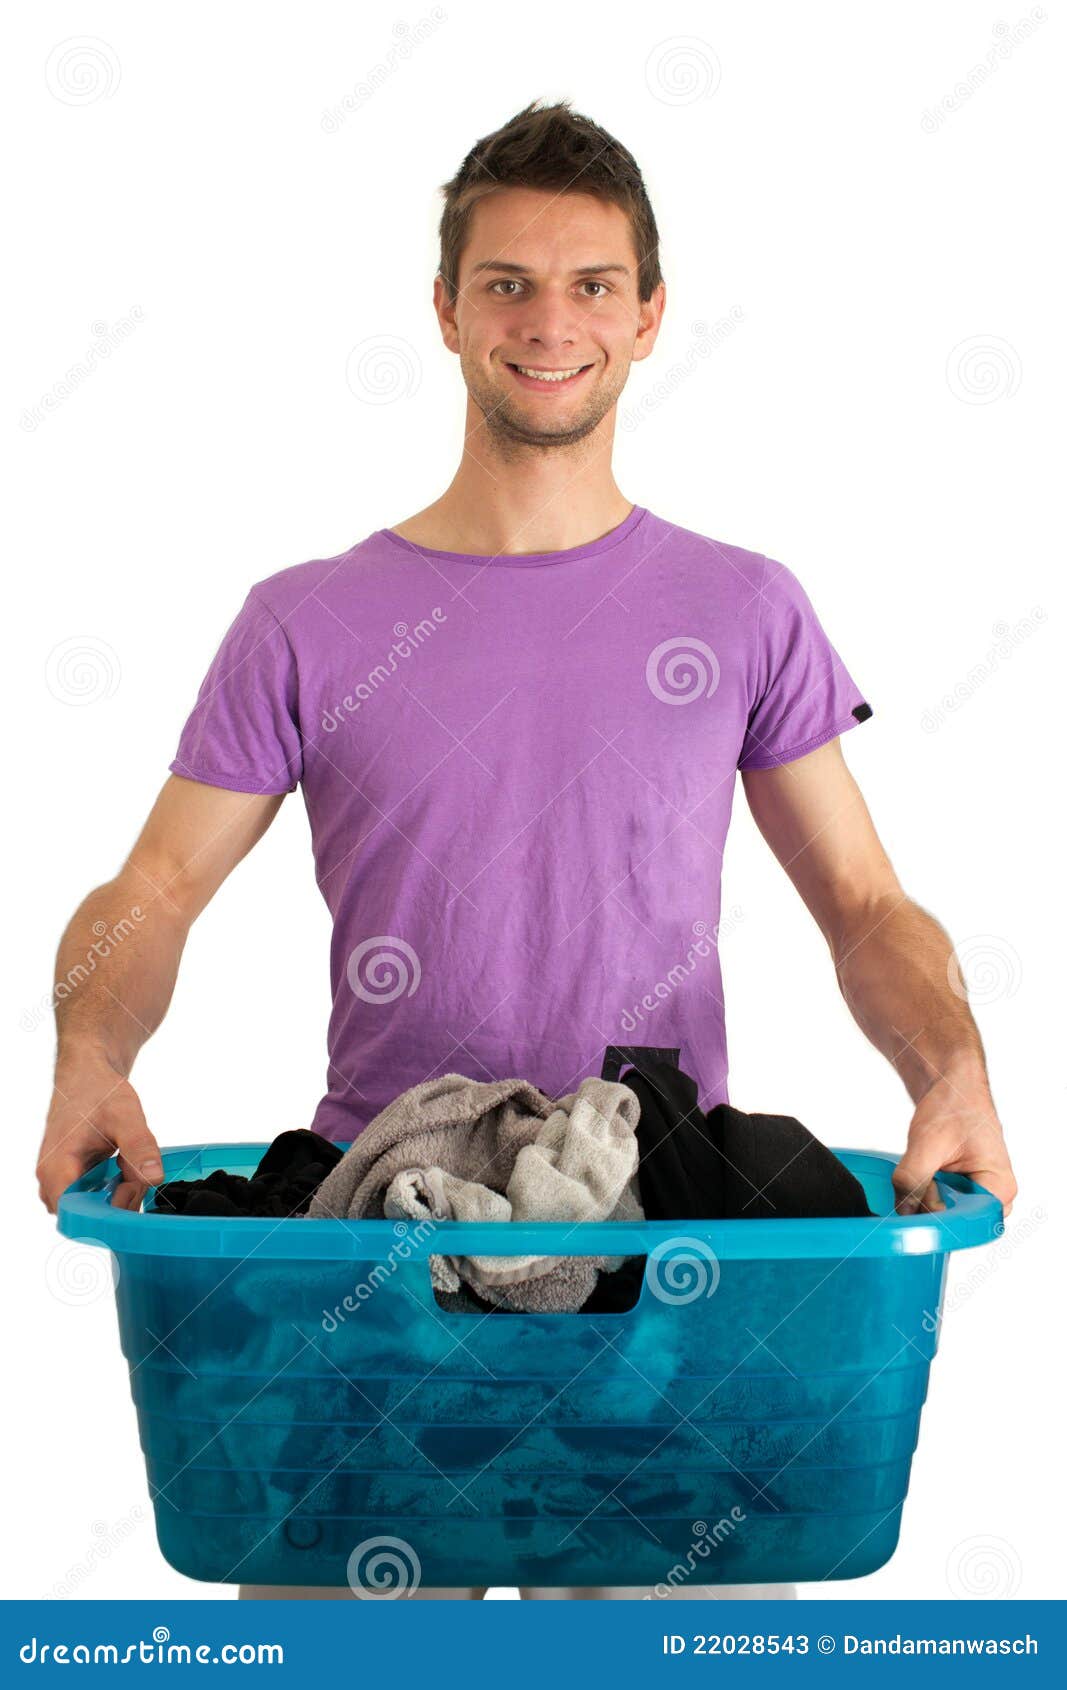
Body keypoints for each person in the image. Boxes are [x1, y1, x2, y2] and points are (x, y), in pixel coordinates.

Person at [36, 100, 1016, 1602]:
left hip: (671, 1269)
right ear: (445, 311)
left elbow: (866, 903)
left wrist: (952, 1067)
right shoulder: (306, 620)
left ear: (649, 315)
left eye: (591, 285)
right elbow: (156, 888)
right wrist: (87, 1046)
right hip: (379, 1262)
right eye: (505, 282)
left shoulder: (744, 606)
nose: (548, 320)